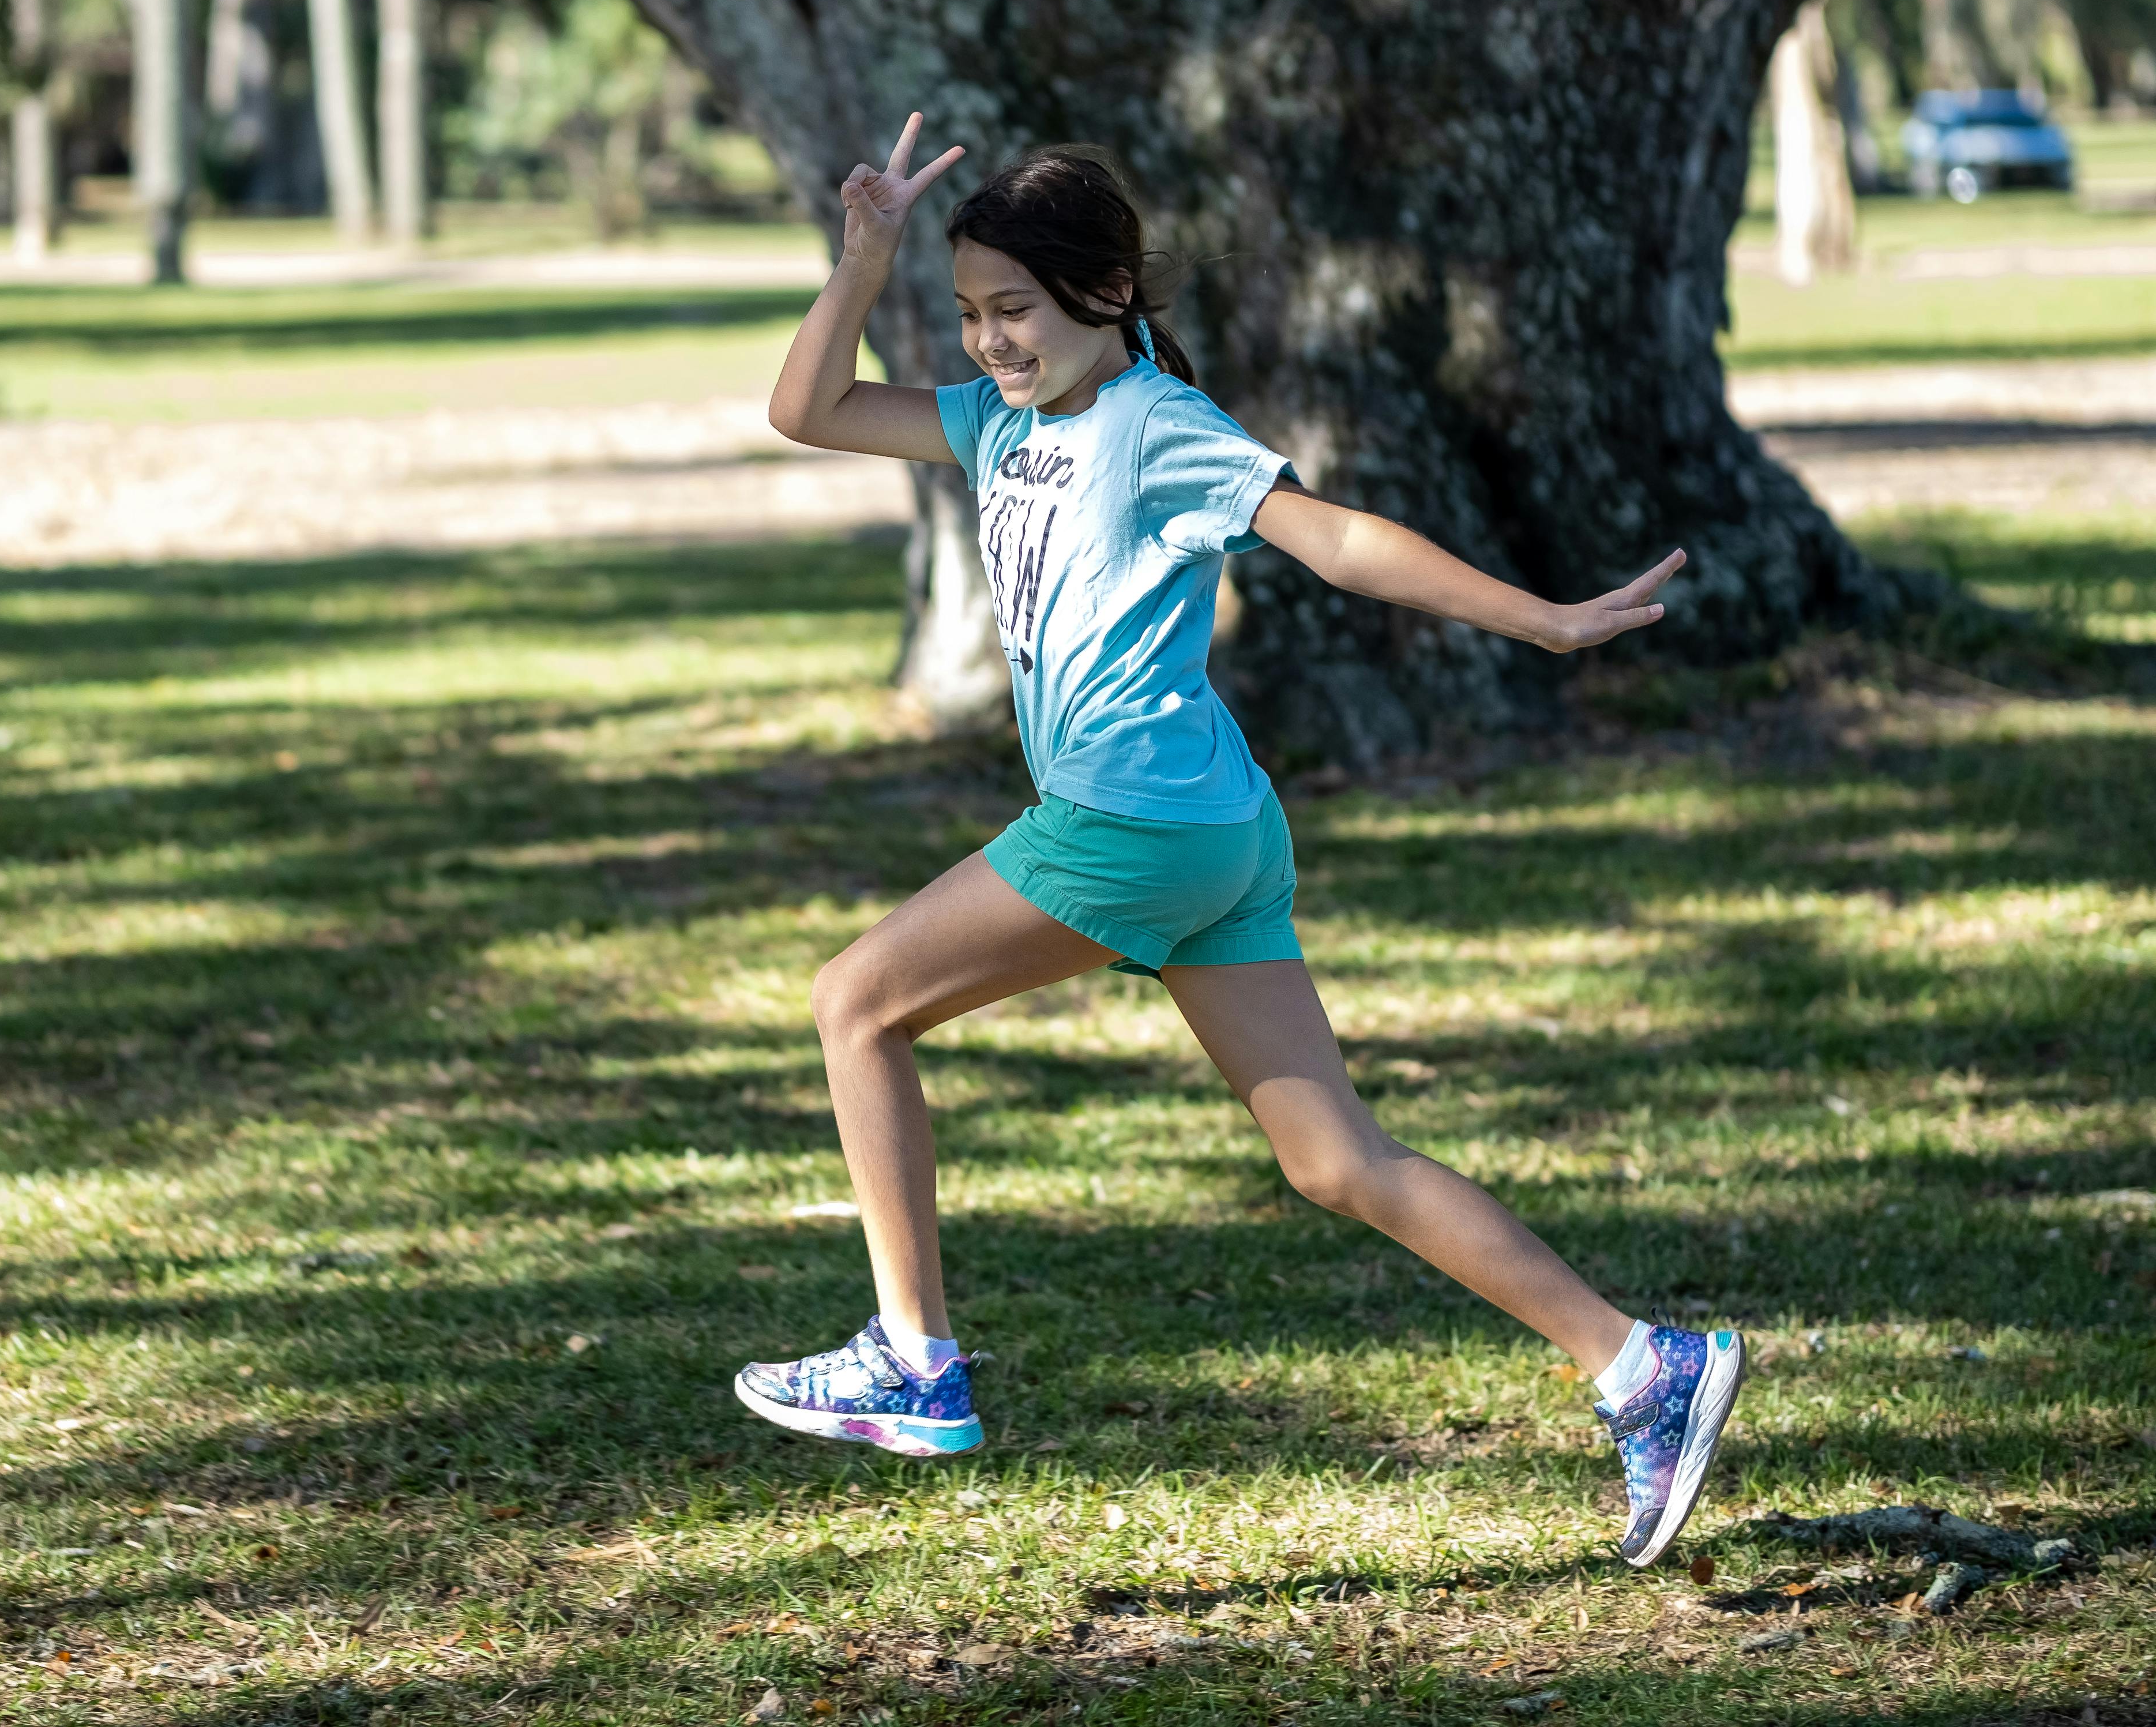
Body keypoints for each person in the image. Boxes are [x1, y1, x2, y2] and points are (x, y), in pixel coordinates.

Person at [733, 119, 1741, 1567]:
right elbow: (809, 408)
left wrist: (1549, 618)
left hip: (1133, 819)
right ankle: (1645, 1367)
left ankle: (914, 1358)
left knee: (854, 1000)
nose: (993, 340)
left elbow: (1334, 538)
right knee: (1336, 1160)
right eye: (970, 315)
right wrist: (867, 256)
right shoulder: (996, 422)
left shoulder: (1155, 426)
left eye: (1015, 309)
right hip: (1213, 825)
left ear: (1109, 293)